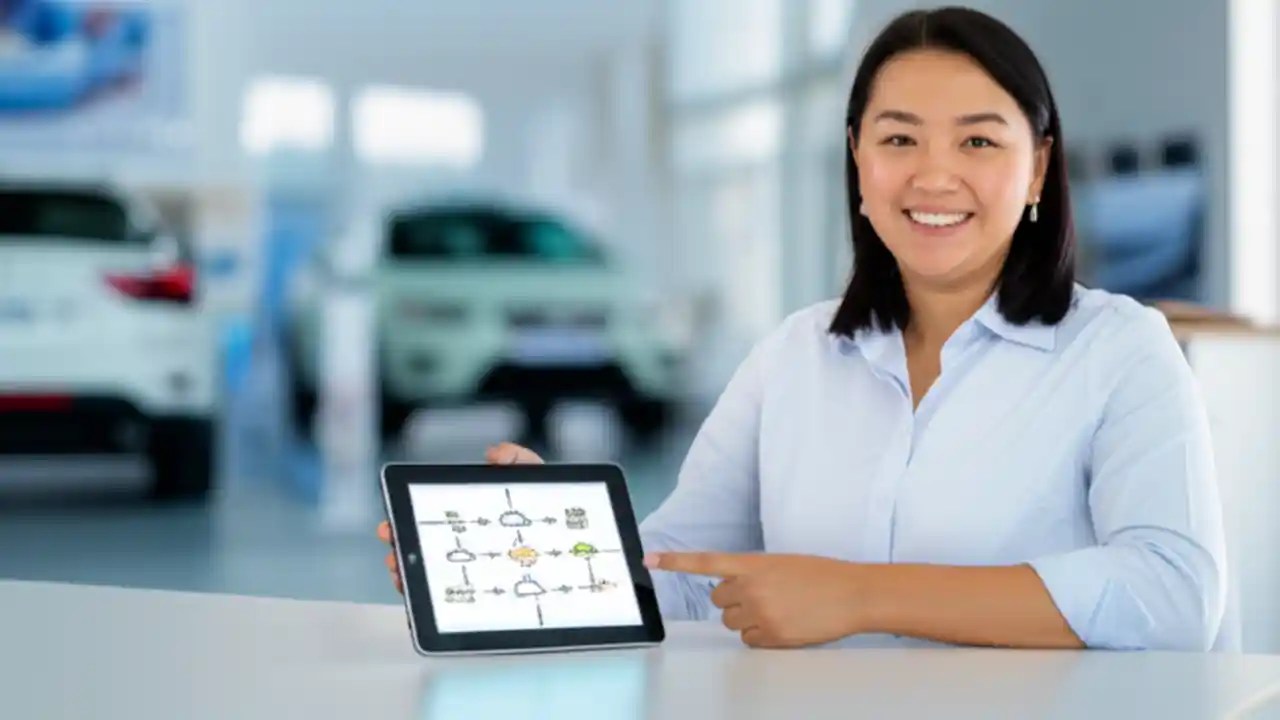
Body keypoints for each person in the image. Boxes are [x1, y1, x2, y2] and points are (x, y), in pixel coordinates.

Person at [380, 6, 1226, 651]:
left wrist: (859, 594)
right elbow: (684, 576)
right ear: (859, 158)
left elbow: (1175, 593)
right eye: (900, 138)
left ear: (1037, 164)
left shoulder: (1121, 350)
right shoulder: (793, 355)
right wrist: (546, 557)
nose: (935, 175)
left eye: (978, 141)